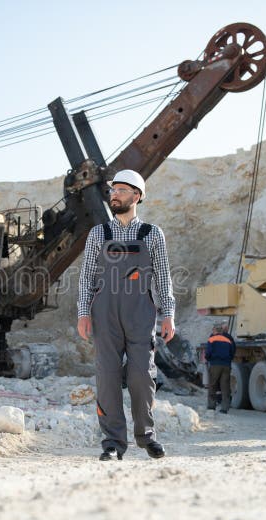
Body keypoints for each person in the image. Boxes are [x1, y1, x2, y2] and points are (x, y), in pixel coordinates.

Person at [77, 169, 176, 461]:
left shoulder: (152, 234)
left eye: (120, 190)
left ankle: (146, 436)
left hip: (140, 313)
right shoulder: (99, 233)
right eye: (112, 190)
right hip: (104, 312)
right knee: (107, 377)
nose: (114, 195)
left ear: (137, 196)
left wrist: (168, 314)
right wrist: (84, 313)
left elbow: (163, 277)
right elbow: (87, 277)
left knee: (141, 376)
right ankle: (112, 443)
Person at [206, 323, 234, 413]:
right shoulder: (228, 340)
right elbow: (232, 352)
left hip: (215, 365)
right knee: (225, 387)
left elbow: (208, 352)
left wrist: (209, 359)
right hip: (226, 365)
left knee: (212, 385)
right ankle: (225, 408)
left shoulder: (212, 339)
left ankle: (211, 406)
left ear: (215, 330)